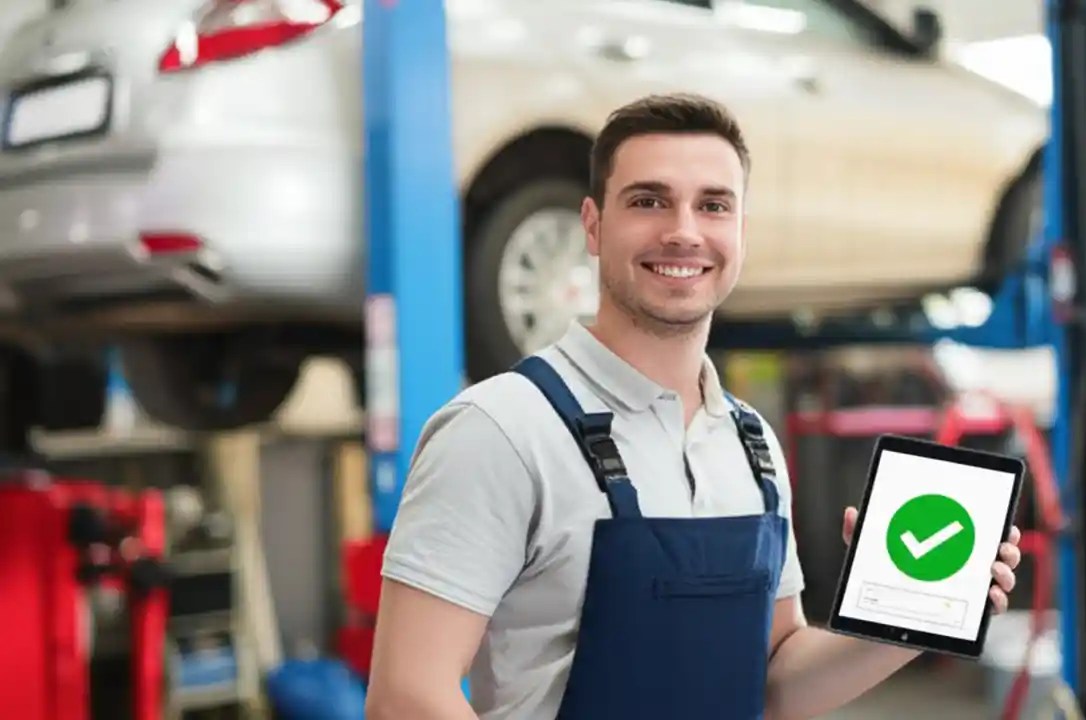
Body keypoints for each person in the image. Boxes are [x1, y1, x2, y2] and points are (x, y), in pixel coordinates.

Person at [364, 92, 1022, 720]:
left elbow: (776, 683)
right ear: (593, 226)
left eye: (713, 206)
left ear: (740, 231)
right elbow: (407, 698)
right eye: (649, 201)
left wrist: (911, 616)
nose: (683, 232)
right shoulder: (500, 431)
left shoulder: (751, 444)